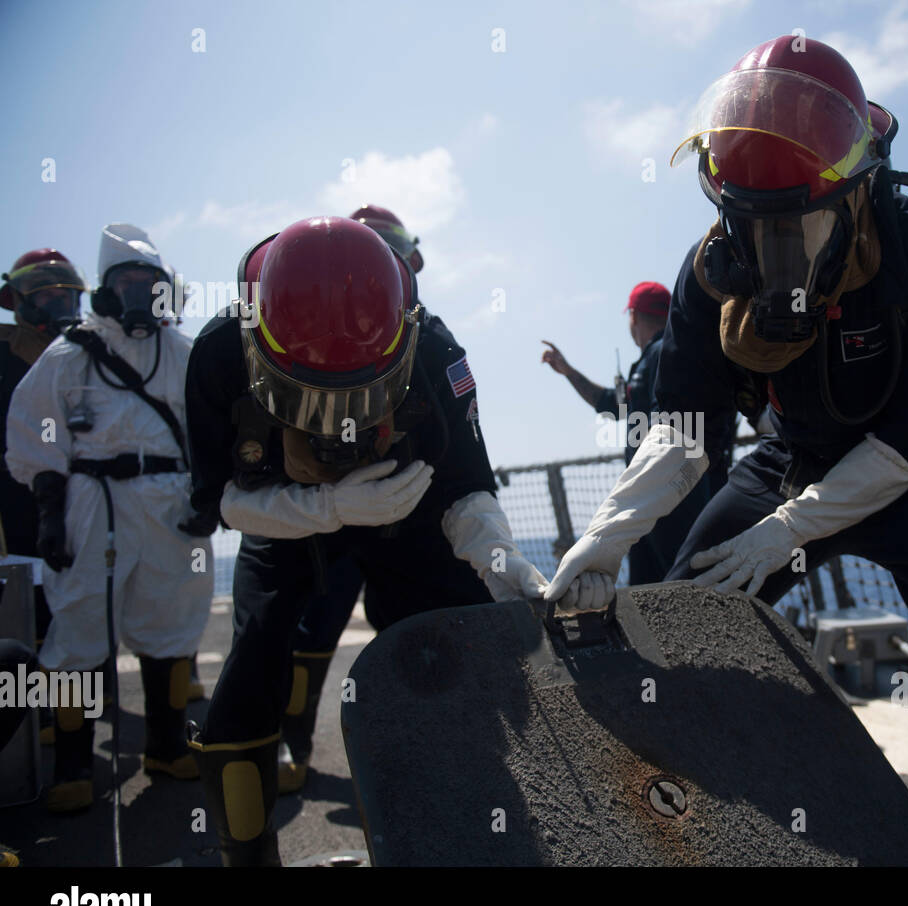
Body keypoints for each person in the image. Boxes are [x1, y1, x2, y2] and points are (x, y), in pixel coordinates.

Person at [545, 35, 908, 867]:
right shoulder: (709, 275)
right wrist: (610, 533)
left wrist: (789, 532)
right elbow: (687, 431)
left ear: (857, 192)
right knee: (680, 620)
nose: (764, 252)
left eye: (789, 225)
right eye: (746, 222)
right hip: (790, 460)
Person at [185, 215, 546, 865]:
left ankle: (464, 821)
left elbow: (466, 484)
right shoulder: (217, 352)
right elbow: (220, 503)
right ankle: (246, 855)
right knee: (248, 674)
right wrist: (323, 506)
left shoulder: (435, 350)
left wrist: (500, 561)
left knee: (448, 650)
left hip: (406, 513)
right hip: (284, 516)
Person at [5, 224, 213, 813]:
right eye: (126, 281)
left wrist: (206, 495)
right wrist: (49, 512)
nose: (138, 291)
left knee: (171, 620)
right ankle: (72, 766)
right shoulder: (69, 354)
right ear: (104, 289)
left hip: (168, 500)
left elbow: (212, 427)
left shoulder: (182, 353)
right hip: (91, 501)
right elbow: (33, 432)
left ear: (164, 286)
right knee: (76, 629)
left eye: (147, 281)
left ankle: (168, 746)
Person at [274, 204, 438, 795]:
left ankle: (430, 739)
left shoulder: (432, 339)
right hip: (326, 507)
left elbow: (460, 445)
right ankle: (292, 743)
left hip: (402, 507)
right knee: (311, 628)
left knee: (413, 619)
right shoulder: (287, 333)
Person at [541, 282, 735, 583]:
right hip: (653, 497)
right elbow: (612, 405)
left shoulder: (663, 352)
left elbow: (675, 425)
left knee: (682, 581)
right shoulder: (658, 357)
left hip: (670, 494)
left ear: (633, 316)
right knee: (651, 587)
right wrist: (568, 372)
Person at [0, 250, 85, 673]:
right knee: (22, 606)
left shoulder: (89, 353)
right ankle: (33, 717)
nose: (57, 305)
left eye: (64, 296)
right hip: (12, 501)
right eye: (45, 295)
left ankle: (75, 705)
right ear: (15, 300)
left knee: (75, 607)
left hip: (78, 501)